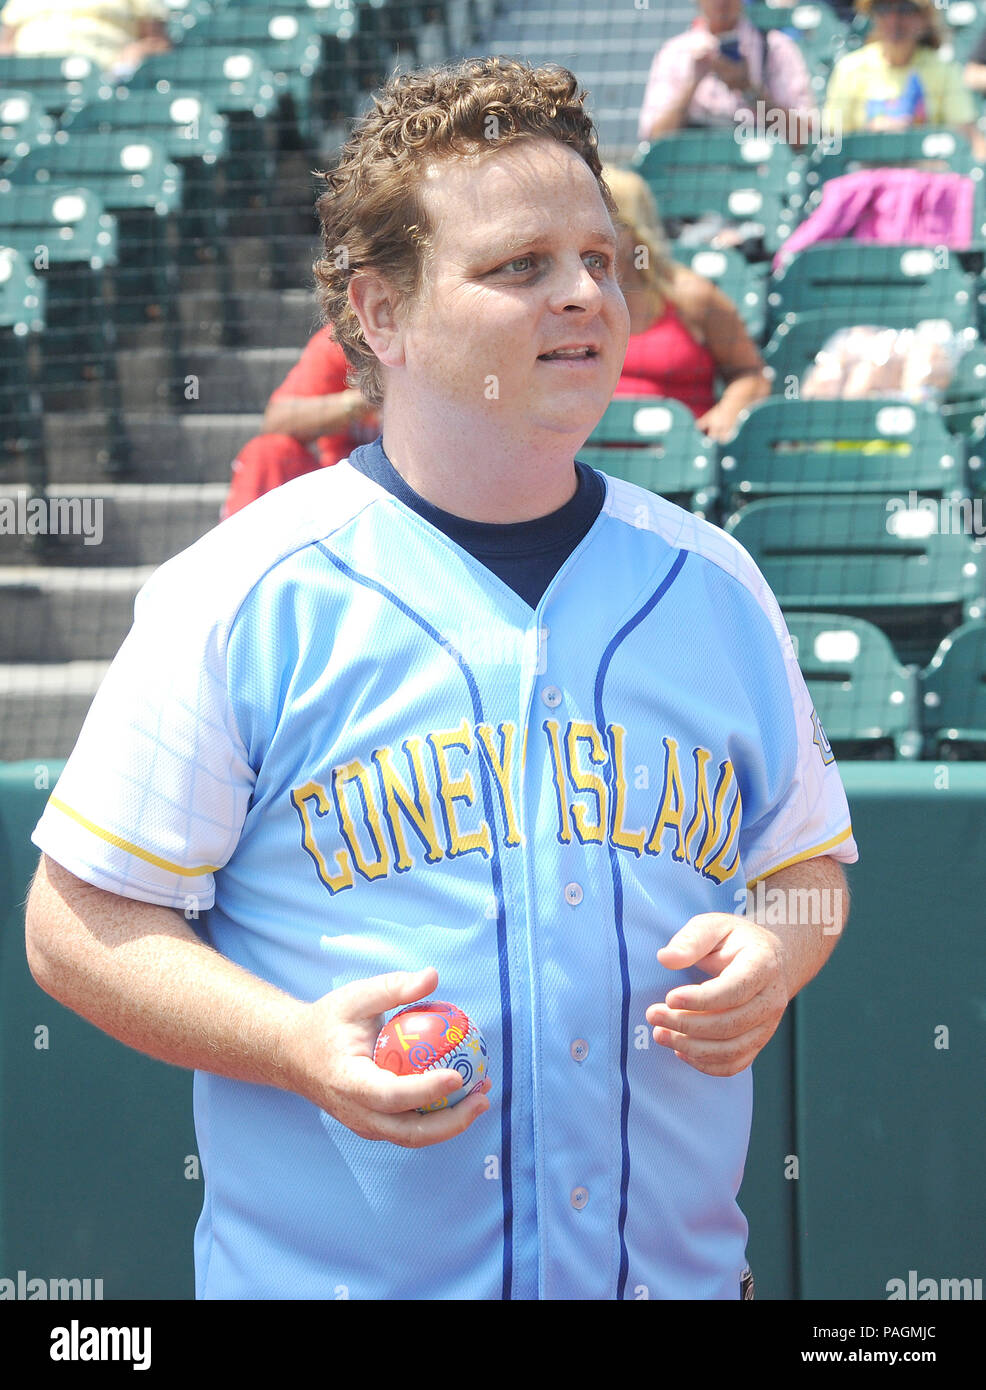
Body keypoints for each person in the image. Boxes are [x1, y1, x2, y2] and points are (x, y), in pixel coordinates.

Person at [25, 56, 856, 1301]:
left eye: (596, 255)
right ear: (382, 313)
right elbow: (74, 926)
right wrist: (292, 1044)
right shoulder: (244, 588)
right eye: (517, 265)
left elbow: (806, 869)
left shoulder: (715, 582)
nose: (582, 290)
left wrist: (777, 954)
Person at [605, 166, 771, 441]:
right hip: (586, 463)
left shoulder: (692, 296)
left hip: (677, 460)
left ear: (635, 231)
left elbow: (751, 373)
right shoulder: (569, 299)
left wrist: (728, 411)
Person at [221, 326, 378, 519]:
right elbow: (277, 420)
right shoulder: (345, 339)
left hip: (404, 493)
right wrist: (367, 399)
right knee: (267, 451)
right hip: (336, 487)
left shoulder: (423, 346)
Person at [637, 0, 817, 145]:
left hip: (759, 168)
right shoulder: (674, 52)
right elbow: (653, 141)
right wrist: (693, 83)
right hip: (690, 172)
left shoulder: (777, 48)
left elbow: (804, 138)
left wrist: (750, 91)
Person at [824, 0, 986, 158]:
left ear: (923, 18)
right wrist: (873, 135)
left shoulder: (944, 70)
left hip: (927, 177)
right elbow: (833, 140)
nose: (894, 20)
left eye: (906, 8)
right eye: (884, 9)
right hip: (862, 176)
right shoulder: (850, 69)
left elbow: (969, 140)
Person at [0, 0, 171, 76]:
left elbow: (157, 41)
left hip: (105, 78)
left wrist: (134, 54)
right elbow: (6, 43)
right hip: (29, 78)